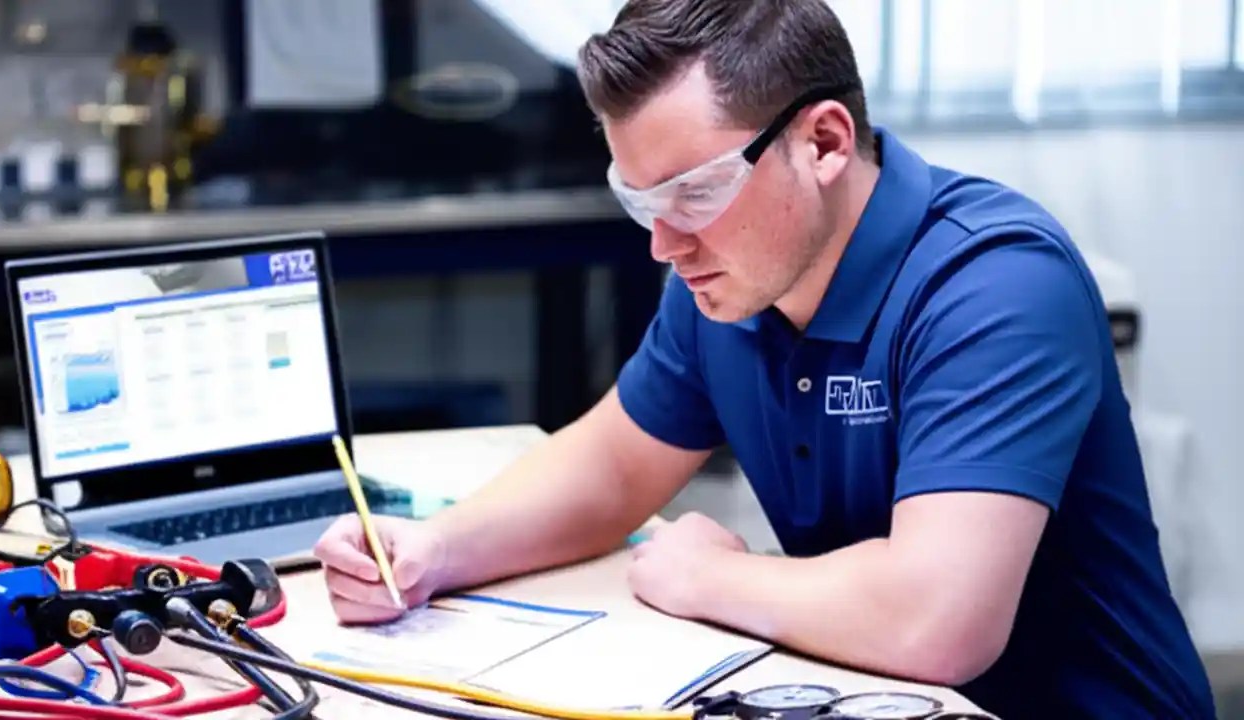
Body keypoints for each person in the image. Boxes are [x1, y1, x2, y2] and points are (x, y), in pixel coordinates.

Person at [314, 1, 1216, 717]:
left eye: (695, 192)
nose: (664, 244)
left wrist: (707, 576)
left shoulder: (996, 284)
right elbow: (613, 463)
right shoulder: (729, 280)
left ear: (822, 142)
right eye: (640, 201)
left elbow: (939, 618)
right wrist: (434, 552)